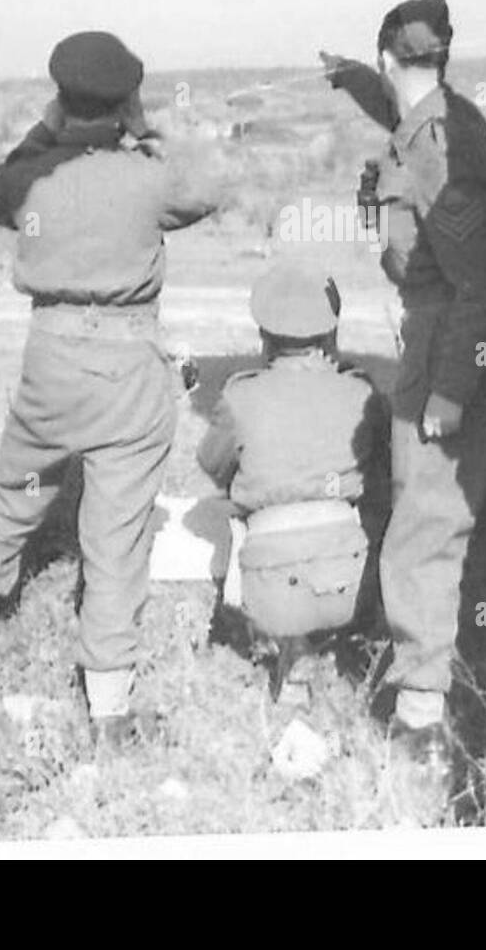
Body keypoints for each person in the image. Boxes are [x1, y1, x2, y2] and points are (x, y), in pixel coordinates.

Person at [0, 29, 218, 751]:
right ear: (125, 98)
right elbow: (211, 185)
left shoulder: (35, 177)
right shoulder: (148, 177)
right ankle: (108, 714)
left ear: (62, 98)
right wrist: (150, 125)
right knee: (116, 537)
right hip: (126, 362)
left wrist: (48, 130)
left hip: (51, 356)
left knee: (9, 495)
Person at [321, 0, 486, 767]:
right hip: (482, 344)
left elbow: (482, 284)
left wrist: (446, 392)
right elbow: (412, 115)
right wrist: (354, 84)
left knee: (421, 528)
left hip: (459, 342)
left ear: (387, 57)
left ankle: (419, 720)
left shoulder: (432, 150)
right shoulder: (452, 119)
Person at [196, 261, 389, 695]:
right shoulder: (361, 392)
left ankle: (294, 650)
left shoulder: (240, 395)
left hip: (270, 591)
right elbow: (384, 472)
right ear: (329, 333)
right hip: (352, 581)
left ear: (265, 335)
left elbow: (213, 464)